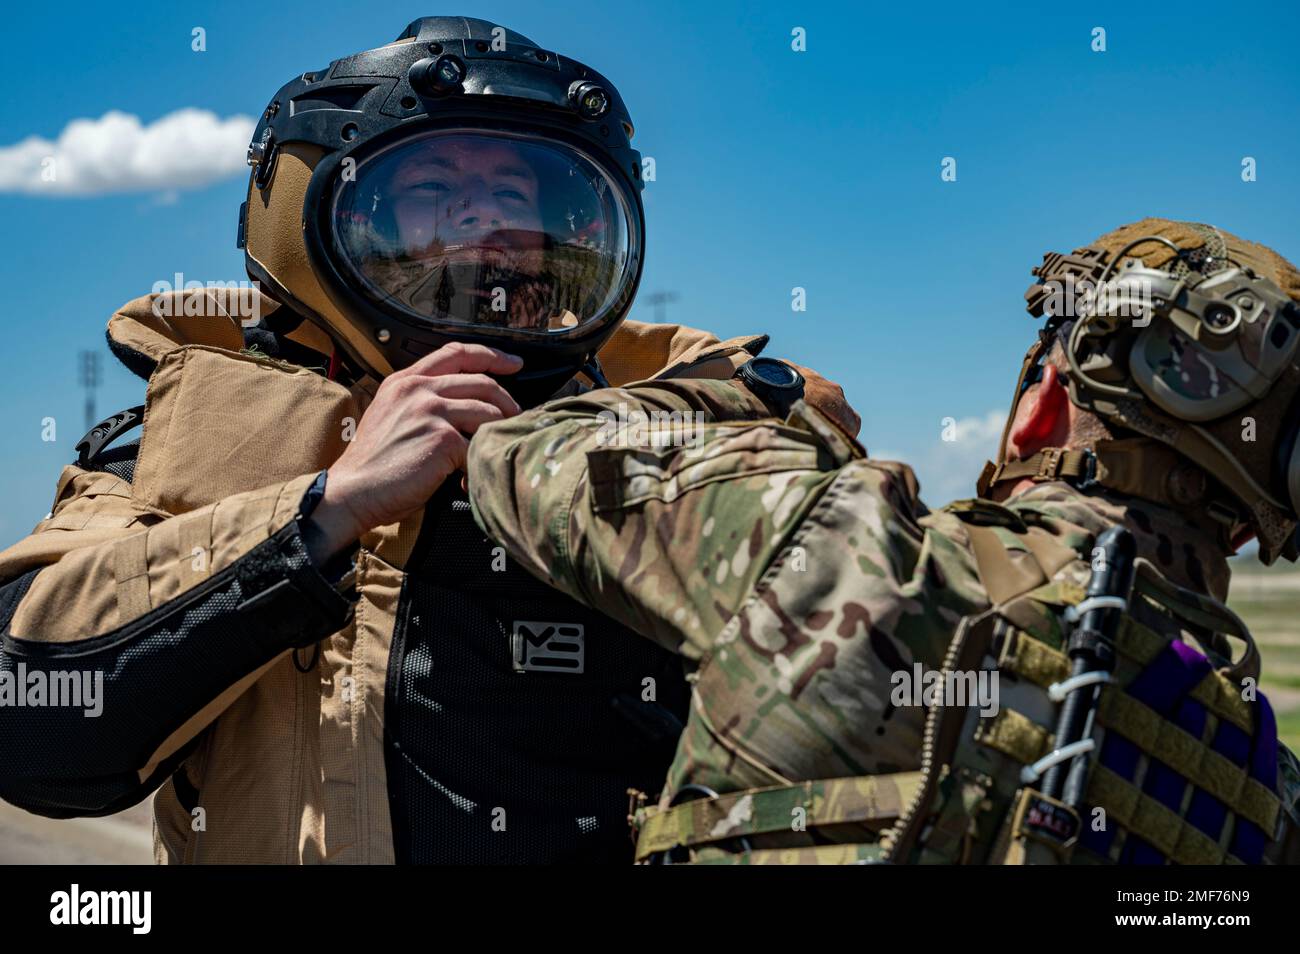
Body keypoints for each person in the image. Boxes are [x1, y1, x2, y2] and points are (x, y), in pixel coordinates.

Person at [0, 16, 855, 864]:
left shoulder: (686, 439)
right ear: (319, 219)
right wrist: (322, 513)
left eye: (515, 197)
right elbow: (29, 723)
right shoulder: (196, 441)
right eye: (431, 190)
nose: (483, 225)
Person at [469, 218, 1300, 864]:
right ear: (1252, 516)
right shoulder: (1263, 788)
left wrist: (760, 391)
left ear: (1041, 406)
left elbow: (523, 451)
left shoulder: (854, 553)